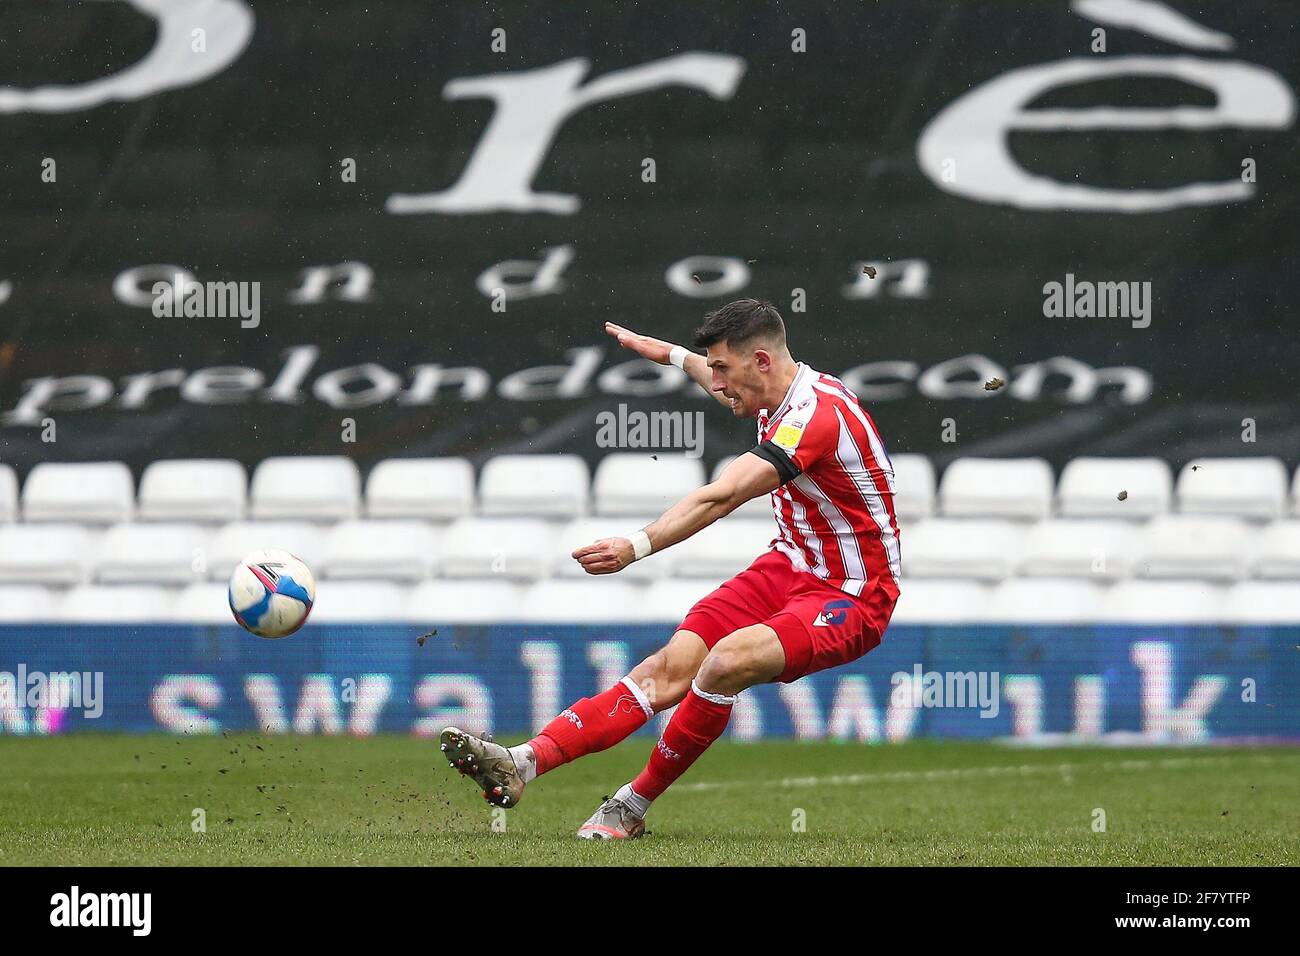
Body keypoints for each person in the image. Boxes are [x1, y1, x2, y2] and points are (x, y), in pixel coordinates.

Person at [440, 298, 901, 839]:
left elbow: (722, 496)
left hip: (852, 593)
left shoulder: (814, 416)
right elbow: (713, 375)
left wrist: (636, 546)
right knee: (666, 669)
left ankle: (630, 807)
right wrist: (672, 355)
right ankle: (522, 762)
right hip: (787, 567)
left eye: (724, 369)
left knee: (724, 663)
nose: (719, 383)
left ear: (761, 361)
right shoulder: (768, 388)